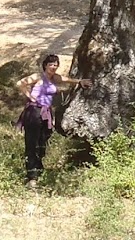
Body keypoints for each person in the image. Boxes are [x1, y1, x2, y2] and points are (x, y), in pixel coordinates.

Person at [16, 53, 90, 188]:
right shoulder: (38, 77)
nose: (53, 67)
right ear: (45, 65)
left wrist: (80, 82)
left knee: (42, 141)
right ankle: (32, 177)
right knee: (32, 143)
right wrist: (30, 97)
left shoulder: (54, 78)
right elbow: (20, 83)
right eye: (51, 64)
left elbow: (66, 79)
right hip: (34, 111)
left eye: (56, 65)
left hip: (46, 113)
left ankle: (39, 170)